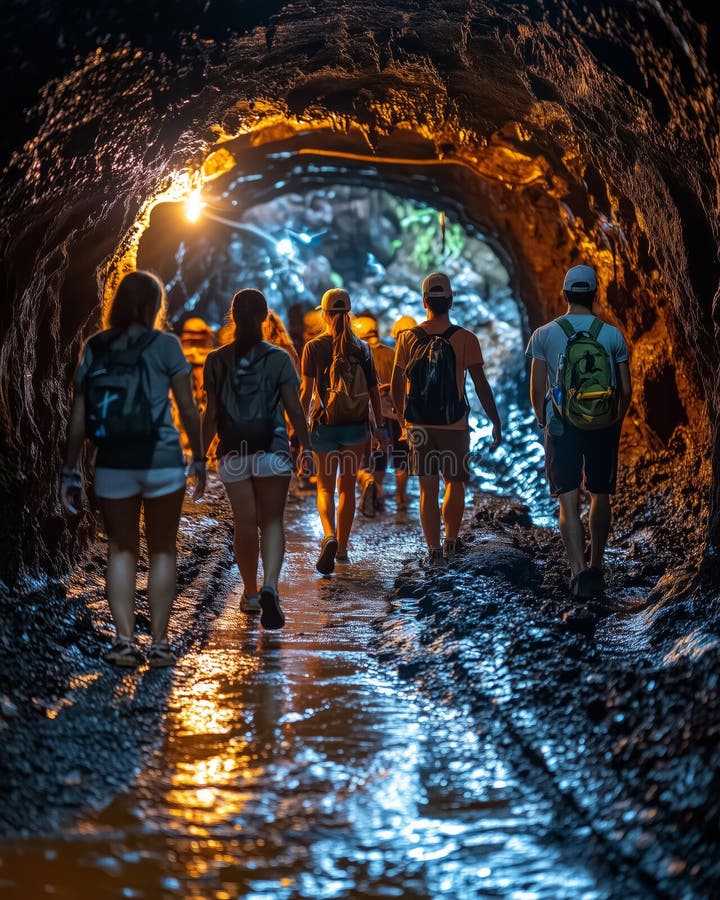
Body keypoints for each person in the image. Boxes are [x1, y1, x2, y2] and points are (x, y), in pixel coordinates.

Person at [60, 270, 206, 668]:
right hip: (161, 460)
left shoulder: (96, 346)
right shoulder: (166, 346)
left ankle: (124, 641)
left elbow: (79, 413)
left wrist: (70, 469)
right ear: (152, 306)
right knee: (162, 551)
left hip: (113, 462)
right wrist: (199, 457)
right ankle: (159, 643)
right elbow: (188, 408)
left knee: (120, 551)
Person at [202, 289, 311, 629]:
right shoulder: (279, 358)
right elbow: (294, 408)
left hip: (233, 451)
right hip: (273, 450)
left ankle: (249, 594)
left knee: (245, 523)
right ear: (265, 317)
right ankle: (270, 587)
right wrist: (306, 446)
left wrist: (197, 456)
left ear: (232, 317)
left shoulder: (216, 360)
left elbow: (211, 414)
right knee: (273, 521)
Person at [526, 264, 631, 597]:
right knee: (601, 493)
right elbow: (626, 389)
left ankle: (578, 572)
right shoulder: (612, 335)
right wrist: (615, 419)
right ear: (595, 294)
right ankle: (597, 564)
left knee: (568, 501)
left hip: (562, 425)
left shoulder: (544, 334)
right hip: (604, 423)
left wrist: (543, 420)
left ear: (565, 294)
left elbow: (536, 387)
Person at [391, 272, 502, 565]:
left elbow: (396, 384)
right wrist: (495, 421)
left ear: (424, 301)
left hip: (419, 424)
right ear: (451, 301)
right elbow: (481, 385)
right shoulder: (466, 339)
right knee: (454, 482)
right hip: (454, 422)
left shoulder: (406, 338)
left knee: (427, 487)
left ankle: (433, 550)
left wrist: (403, 420)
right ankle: (451, 541)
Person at [300, 289, 385, 573]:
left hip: (324, 426)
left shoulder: (313, 347)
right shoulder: (363, 349)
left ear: (324, 313)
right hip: (355, 428)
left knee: (324, 487)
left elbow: (306, 393)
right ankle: (343, 550)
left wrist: (299, 431)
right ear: (349, 314)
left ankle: (330, 536)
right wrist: (378, 428)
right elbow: (374, 392)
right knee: (347, 489)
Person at [352, 314, 399, 515]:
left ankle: (368, 482)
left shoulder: (357, 355)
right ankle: (378, 490)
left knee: (361, 459)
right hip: (389, 415)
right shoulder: (391, 354)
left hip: (364, 414)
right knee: (382, 456)